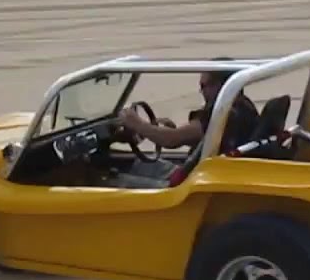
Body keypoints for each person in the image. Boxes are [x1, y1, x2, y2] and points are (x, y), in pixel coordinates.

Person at [109, 61, 260, 188]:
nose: (201, 91)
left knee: (111, 180)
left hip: (189, 183)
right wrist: (160, 131)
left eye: (204, 86)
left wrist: (137, 123)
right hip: (204, 174)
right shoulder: (244, 107)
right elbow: (207, 140)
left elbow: (171, 140)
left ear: (220, 85)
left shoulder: (223, 112)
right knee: (136, 164)